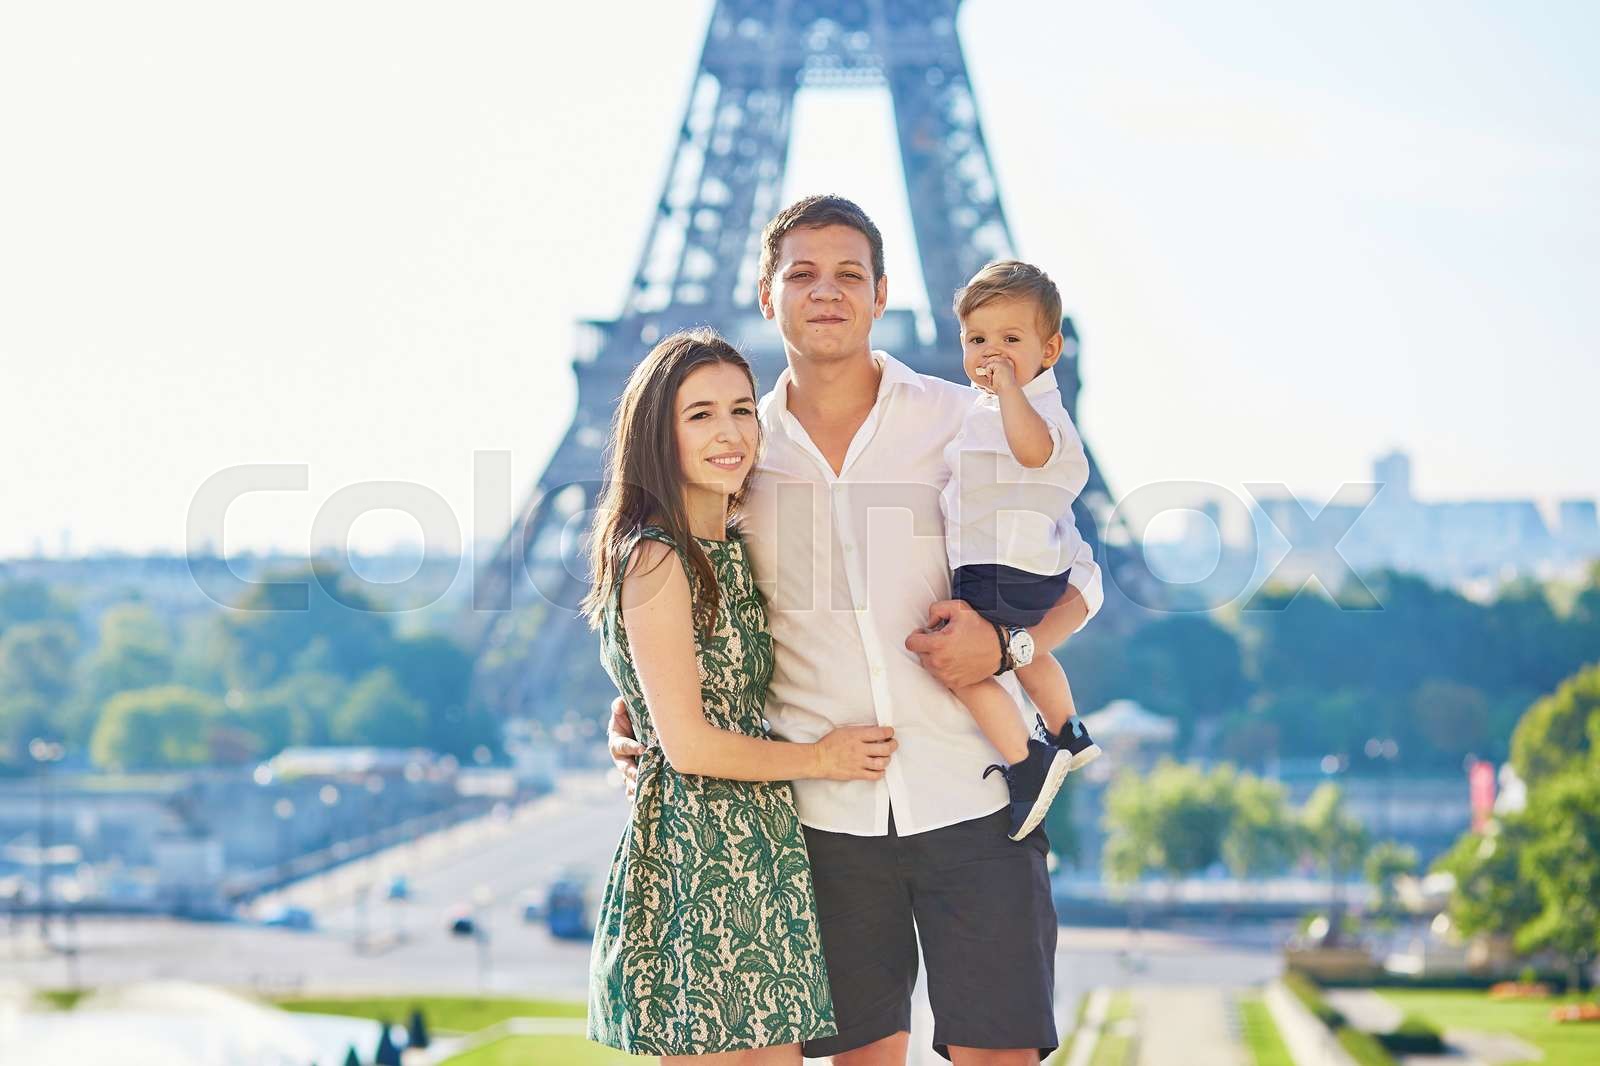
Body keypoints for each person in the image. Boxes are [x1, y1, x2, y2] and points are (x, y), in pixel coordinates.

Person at [609, 196, 1104, 1065]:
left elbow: (1083, 580)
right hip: (821, 826)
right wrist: (640, 713)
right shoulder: (738, 457)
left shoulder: (967, 420)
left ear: (883, 294)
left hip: (978, 799)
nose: (825, 292)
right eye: (801, 274)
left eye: (848, 275)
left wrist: (1006, 649)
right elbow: (681, 597)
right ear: (766, 296)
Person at [581, 327, 900, 1063]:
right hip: (702, 863)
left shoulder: (726, 545)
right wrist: (822, 758)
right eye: (700, 415)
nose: (729, 433)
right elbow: (689, 746)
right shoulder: (658, 557)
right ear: (657, 433)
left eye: (740, 410)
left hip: (760, 854)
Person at [938, 259, 1103, 842]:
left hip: (999, 570)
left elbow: (1034, 452)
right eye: (977, 339)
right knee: (1027, 654)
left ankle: (1026, 758)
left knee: (962, 664)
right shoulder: (984, 409)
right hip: (1024, 569)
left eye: (1011, 340)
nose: (992, 353)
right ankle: (1068, 730)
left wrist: (1009, 390)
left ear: (1050, 349)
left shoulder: (1031, 409)